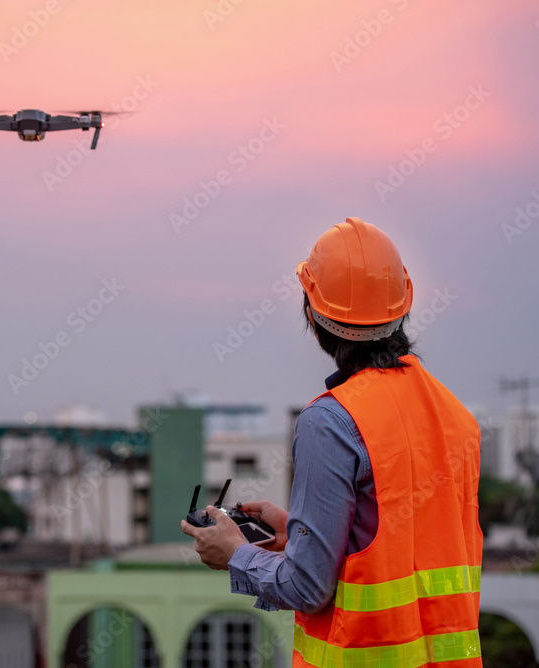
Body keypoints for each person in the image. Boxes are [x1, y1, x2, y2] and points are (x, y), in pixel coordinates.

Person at [181, 217, 483, 667]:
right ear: (403, 306)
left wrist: (235, 554)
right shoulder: (456, 417)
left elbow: (306, 587)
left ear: (311, 314)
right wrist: (298, 533)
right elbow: (402, 548)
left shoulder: (332, 421)